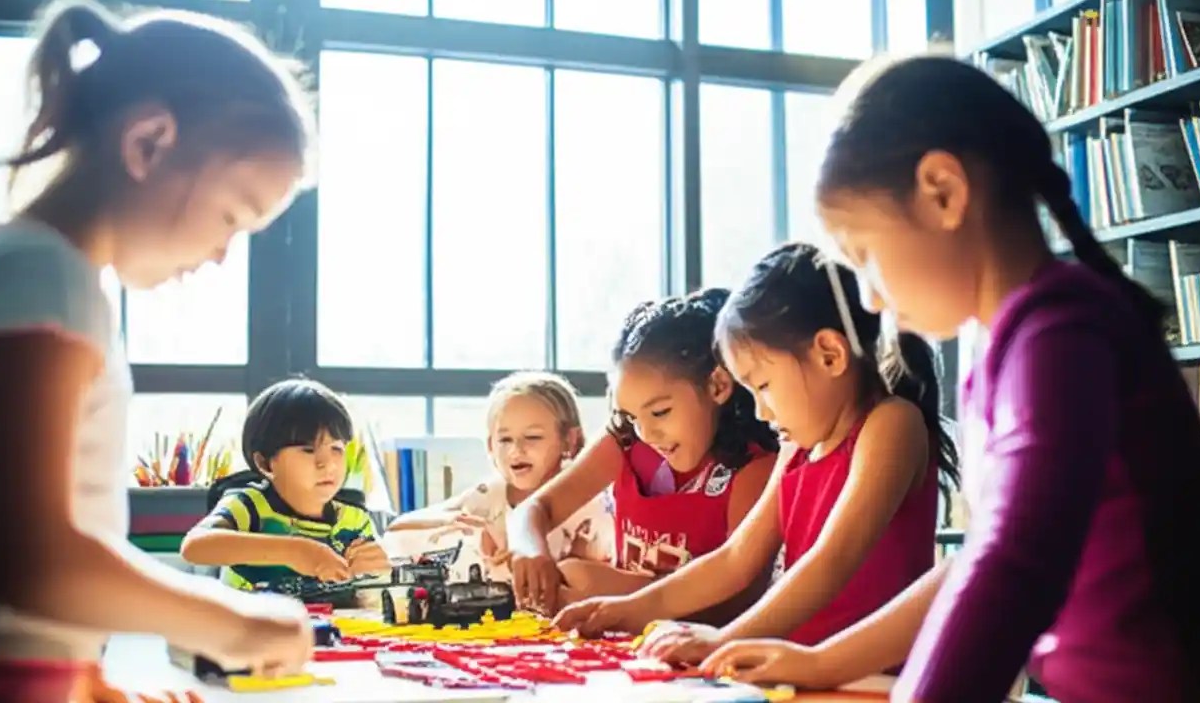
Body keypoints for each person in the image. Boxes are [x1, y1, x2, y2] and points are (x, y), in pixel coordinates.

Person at [701, 56, 1200, 703]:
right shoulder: (1010, 347)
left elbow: (1012, 565)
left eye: (863, 256)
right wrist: (823, 661)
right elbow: (976, 559)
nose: (868, 298)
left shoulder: (1062, 334)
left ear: (943, 193)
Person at [0, 0, 319, 702]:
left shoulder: (41, 276)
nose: (221, 253)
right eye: (231, 217)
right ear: (148, 144)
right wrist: (233, 621)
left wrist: (89, 680)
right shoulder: (42, 277)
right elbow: (29, 558)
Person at [555, 243, 956, 667]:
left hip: (872, 676)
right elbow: (735, 560)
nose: (761, 412)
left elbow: (832, 560)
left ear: (829, 355)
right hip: (796, 672)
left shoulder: (892, 424)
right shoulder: (797, 448)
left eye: (763, 386)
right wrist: (627, 610)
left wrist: (725, 639)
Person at [507, 289, 779, 616]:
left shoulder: (754, 468)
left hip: (691, 641)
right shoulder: (625, 442)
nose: (646, 434)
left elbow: (743, 600)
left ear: (717, 386)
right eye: (632, 416)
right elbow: (535, 508)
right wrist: (529, 551)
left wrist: (620, 594)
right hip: (619, 636)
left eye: (660, 412)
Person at [386, 371, 613, 583]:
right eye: (505, 440)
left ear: (569, 440)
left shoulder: (590, 508)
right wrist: (455, 523)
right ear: (490, 446)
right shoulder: (489, 495)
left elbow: (598, 585)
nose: (516, 450)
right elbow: (396, 532)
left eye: (533, 437)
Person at [181, 379, 391, 589]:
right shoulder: (248, 507)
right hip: (249, 610)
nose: (328, 464)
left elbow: (373, 587)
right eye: (308, 450)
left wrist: (376, 569)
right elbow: (194, 546)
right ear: (265, 463)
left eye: (336, 448)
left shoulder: (355, 520)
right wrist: (296, 552)